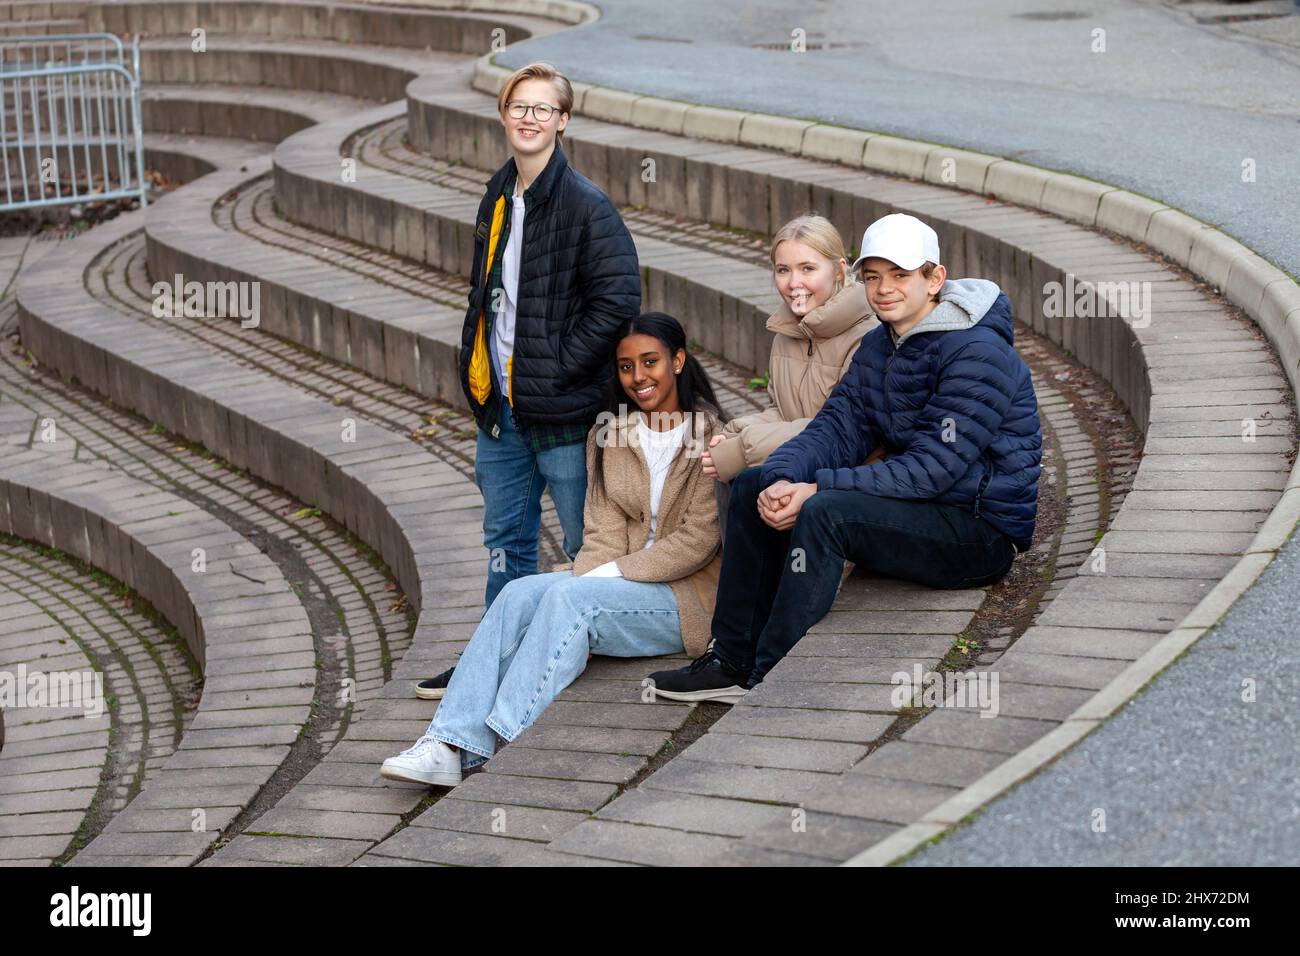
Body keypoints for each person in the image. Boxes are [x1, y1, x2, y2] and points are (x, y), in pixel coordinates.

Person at [649, 213, 1043, 702]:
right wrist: (780, 478)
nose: (884, 289)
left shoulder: (976, 353)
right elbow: (836, 428)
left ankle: (769, 676)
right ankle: (730, 658)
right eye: (873, 276)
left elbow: (932, 469)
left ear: (934, 279)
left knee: (825, 510)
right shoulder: (881, 346)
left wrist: (817, 488)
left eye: (900, 275)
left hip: (978, 531)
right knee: (752, 486)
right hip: (920, 512)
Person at [382, 313, 725, 786]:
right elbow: (601, 527)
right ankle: (445, 741)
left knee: (569, 598)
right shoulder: (610, 435)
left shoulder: (713, 436)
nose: (639, 378)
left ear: (679, 361)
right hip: (614, 584)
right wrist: (593, 575)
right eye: (626, 367)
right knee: (520, 592)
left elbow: (698, 541)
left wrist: (603, 579)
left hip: (682, 598)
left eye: (651, 362)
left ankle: (491, 743)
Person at [417, 62, 641, 700]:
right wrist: (478, 367)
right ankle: (493, 657)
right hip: (502, 411)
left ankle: (582, 657)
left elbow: (619, 303)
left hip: (567, 412)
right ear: (503, 115)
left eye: (543, 109)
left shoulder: (587, 206)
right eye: (519, 106)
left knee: (584, 540)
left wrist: (560, 366)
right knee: (506, 540)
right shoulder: (497, 194)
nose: (529, 118)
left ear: (563, 122)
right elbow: (485, 295)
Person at [702, 214, 878, 546]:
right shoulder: (787, 332)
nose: (793, 282)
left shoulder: (866, 336)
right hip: (798, 459)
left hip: (846, 473)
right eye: (783, 270)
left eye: (807, 269)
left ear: (839, 271)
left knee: (748, 480)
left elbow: (838, 430)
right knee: (726, 467)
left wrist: (744, 448)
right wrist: (734, 432)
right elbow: (781, 410)